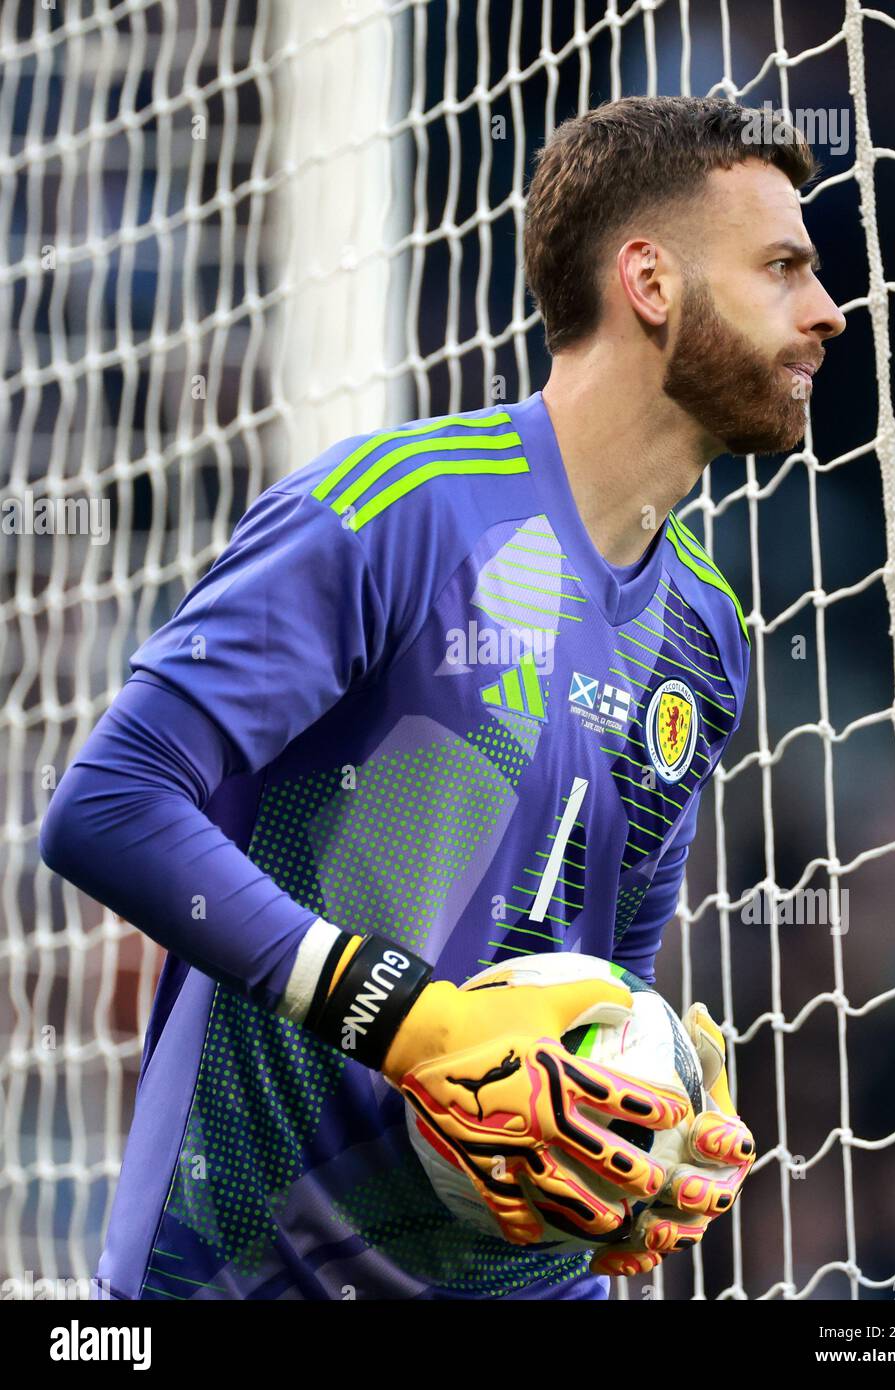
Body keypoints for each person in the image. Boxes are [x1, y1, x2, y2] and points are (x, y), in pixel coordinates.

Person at [39, 94, 845, 1301]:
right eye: (782, 267)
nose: (826, 313)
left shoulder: (705, 637)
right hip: (240, 1277)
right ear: (650, 281)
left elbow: (605, 974)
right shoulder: (401, 513)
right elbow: (105, 803)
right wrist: (409, 1023)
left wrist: (654, 1105)